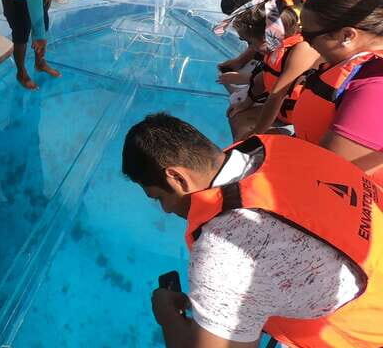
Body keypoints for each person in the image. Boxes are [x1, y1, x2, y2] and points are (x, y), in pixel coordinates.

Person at [122, 112, 383, 348]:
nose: (166, 210)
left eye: (158, 198)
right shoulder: (286, 147)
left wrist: (168, 319)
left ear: (177, 178)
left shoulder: (226, 251)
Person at [292, 0, 383, 183]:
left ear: (346, 35)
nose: (305, 43)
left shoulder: (375, 88)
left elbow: (329, 177)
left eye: (309, 36)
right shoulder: (352, 64)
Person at [214, 0, 320, 140]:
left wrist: (257, 133)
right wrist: (246, 103)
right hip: (281, 113)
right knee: (236, 116)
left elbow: (277, 95)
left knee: (246, 138)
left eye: (250, 42)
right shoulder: (275, 48)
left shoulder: (302, 49)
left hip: (300, 122)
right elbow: (263, 79)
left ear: (267, 38)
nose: (250, 47)